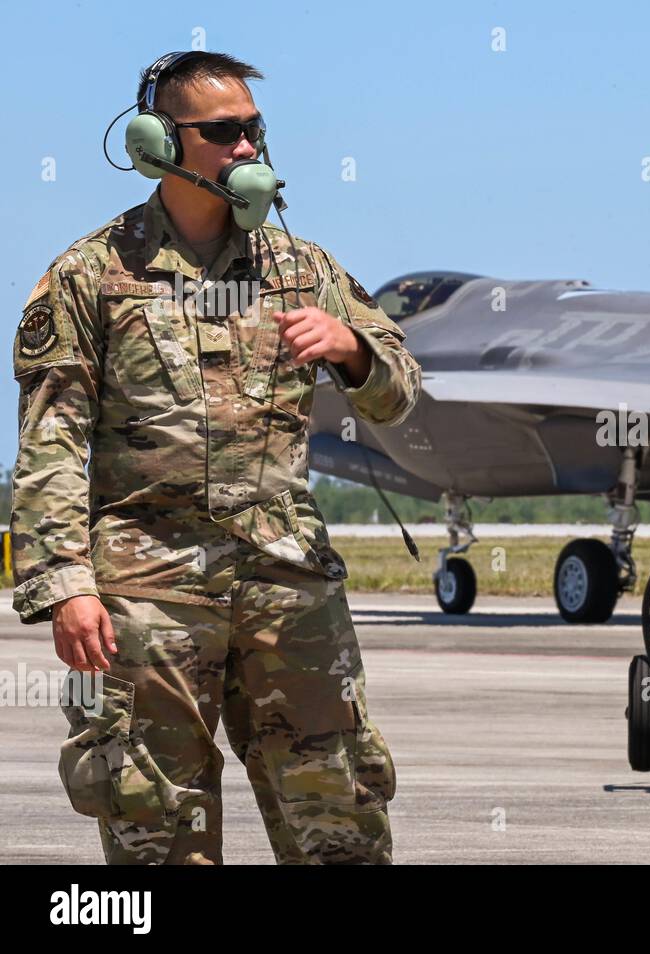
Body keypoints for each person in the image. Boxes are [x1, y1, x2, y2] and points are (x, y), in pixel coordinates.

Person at [10, 51, 421, 864]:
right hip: (147, 593)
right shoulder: (92, 276)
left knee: (339, 814)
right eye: (224, 131)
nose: (246, 149)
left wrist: (350, 350)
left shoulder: (302, 268)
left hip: (288, 588)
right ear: (158, 142)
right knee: (156, 829)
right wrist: (66, 586)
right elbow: (52, 444)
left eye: (254, 130)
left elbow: (400, 394)